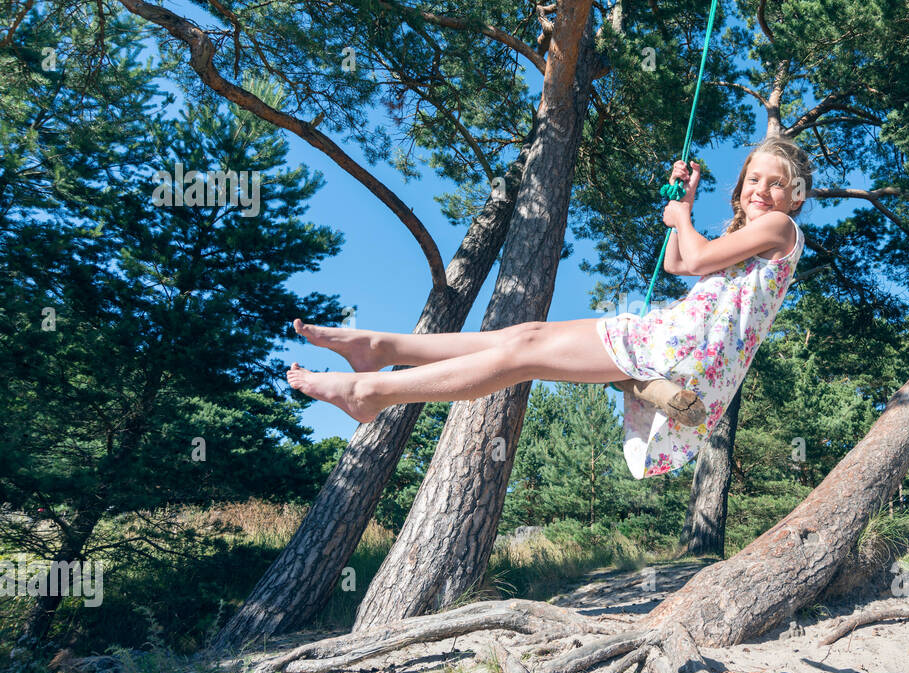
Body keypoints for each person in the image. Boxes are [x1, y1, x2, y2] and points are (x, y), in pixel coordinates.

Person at [286, 136, 809, 479]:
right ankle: (380, 347)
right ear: (740, 190)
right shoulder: (746, 238)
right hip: (676, 337)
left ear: (794, 197)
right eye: (754, 180)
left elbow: (692, 257)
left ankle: (371, 392)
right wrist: (685, 210)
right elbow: (677, 264)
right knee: (522, 337)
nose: (763, 189)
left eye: (777, 182)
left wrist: (681, 220)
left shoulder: (781, 230)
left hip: (686, 348)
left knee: (526, 350)